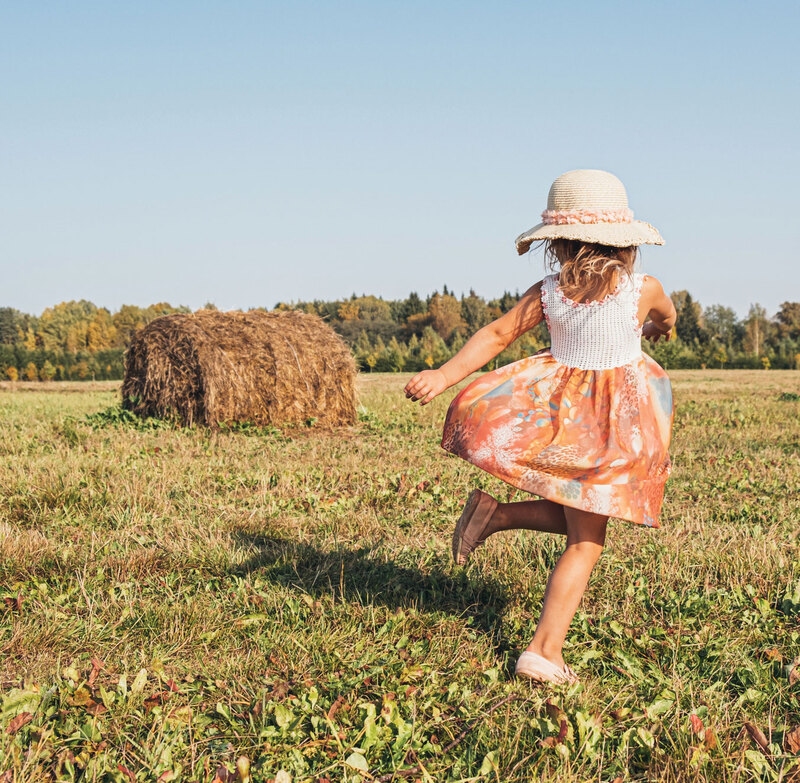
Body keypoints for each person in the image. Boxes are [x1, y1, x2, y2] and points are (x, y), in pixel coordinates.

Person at [403, 169, 676, 685]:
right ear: (625, 244)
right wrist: (660, 327)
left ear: (558, 245)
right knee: (587, 538)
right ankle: (543, 651)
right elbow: (666, 317)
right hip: (612, 428)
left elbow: (497, 334)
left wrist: (444, 374)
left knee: (585, 520)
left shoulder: (548, 292)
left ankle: (496, 516)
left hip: (562, 417)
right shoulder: (643, 289)